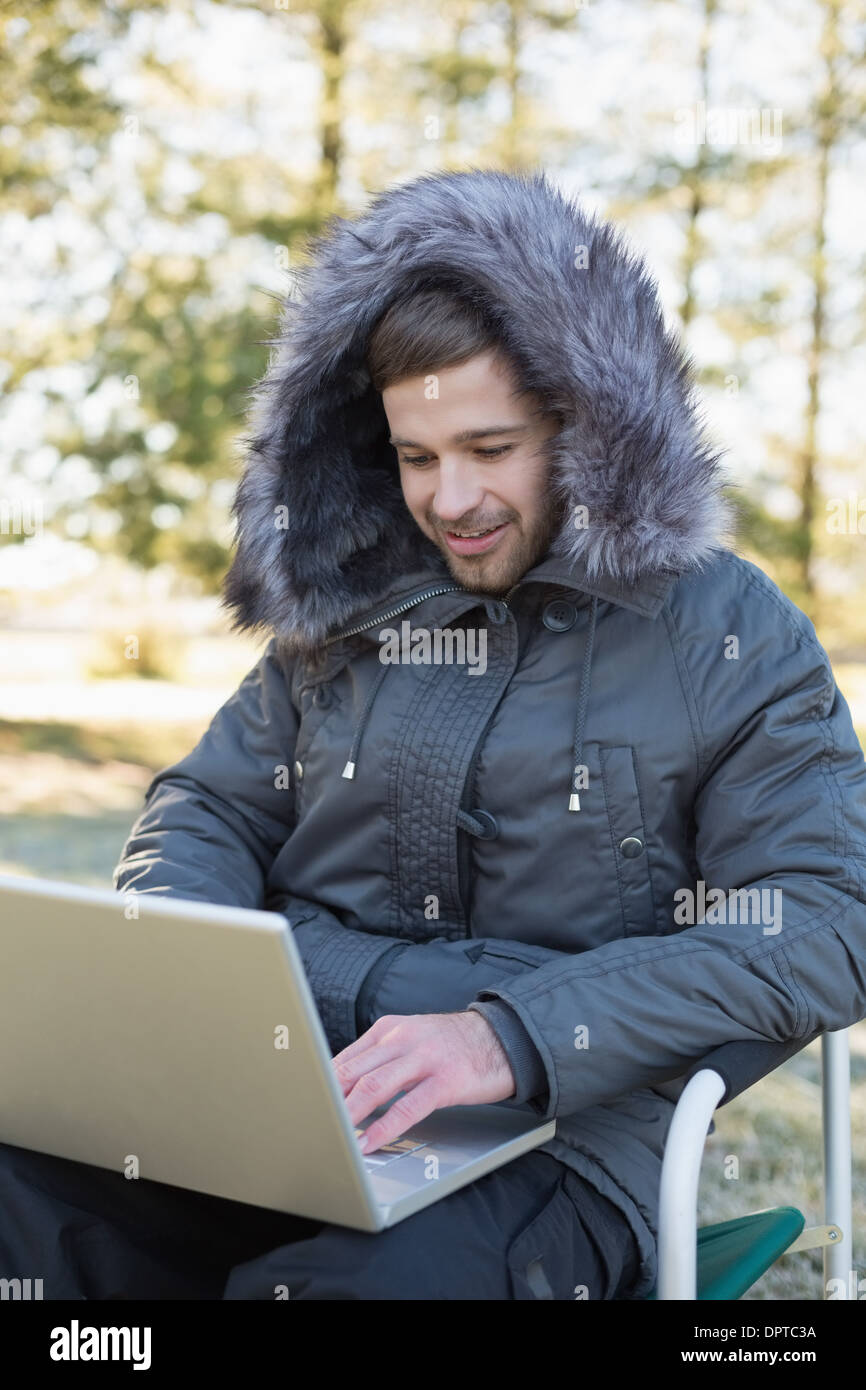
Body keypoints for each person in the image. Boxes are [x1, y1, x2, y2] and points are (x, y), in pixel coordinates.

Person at [2, 166, 865, 1301]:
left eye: (490, 447)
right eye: (416, 457)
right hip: (279, 1097)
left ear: (588, 424)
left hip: (553, 1141)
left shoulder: (725, 628)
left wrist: (511, 1035)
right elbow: (210, 802)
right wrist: (187, 966)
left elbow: (823, 916)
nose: (450, 498)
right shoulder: (347, 608)